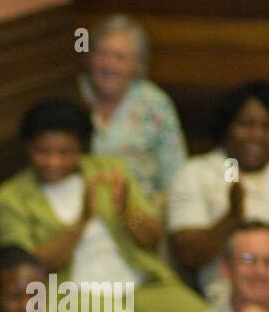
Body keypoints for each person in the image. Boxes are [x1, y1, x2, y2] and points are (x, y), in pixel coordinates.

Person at [0, 98, 204, 312]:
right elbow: (25, 270)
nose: (53, 162)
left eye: (65, 152)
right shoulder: (10, 198)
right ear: (28, 148)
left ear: (81, 148)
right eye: (43, 152)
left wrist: (127, 212)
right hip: (67, 296)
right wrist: (82, 221)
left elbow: (152, 238)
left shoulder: (110, 170)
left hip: (139, 284)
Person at [168, 81, 269, 299]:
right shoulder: (199, 172)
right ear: (227, 126)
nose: (256, 135)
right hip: (225, 298)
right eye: (245, 124)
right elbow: (187, 255)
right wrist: (231, 217)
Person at [77, 14, 187, 200]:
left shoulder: (155, 104)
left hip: (140, 208)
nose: (109, 65)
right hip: (80, 206)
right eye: (102, 54)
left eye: (120, 58)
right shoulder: (74, 93)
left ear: (137, 65)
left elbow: (174, 175)